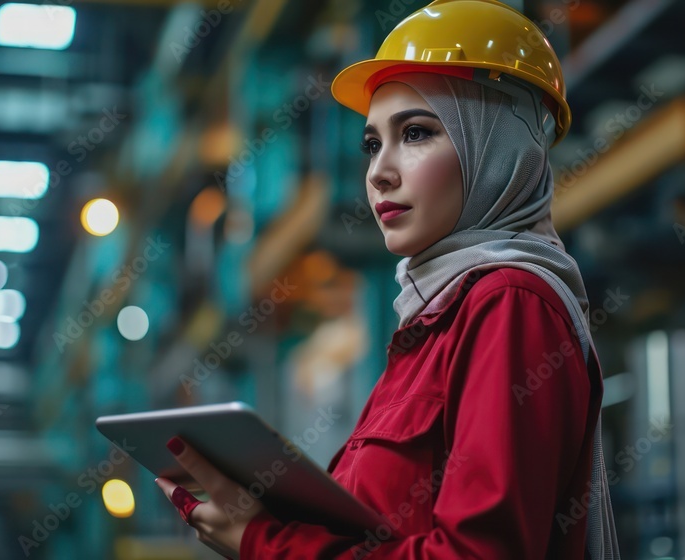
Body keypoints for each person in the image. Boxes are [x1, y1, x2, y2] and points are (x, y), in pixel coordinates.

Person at [156, 1, 621, 558]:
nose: (379, 171)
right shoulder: (432, 321)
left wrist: (266, 542)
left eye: (418, 133)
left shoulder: (509, 302)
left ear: (497, 149)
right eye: (373, 143)